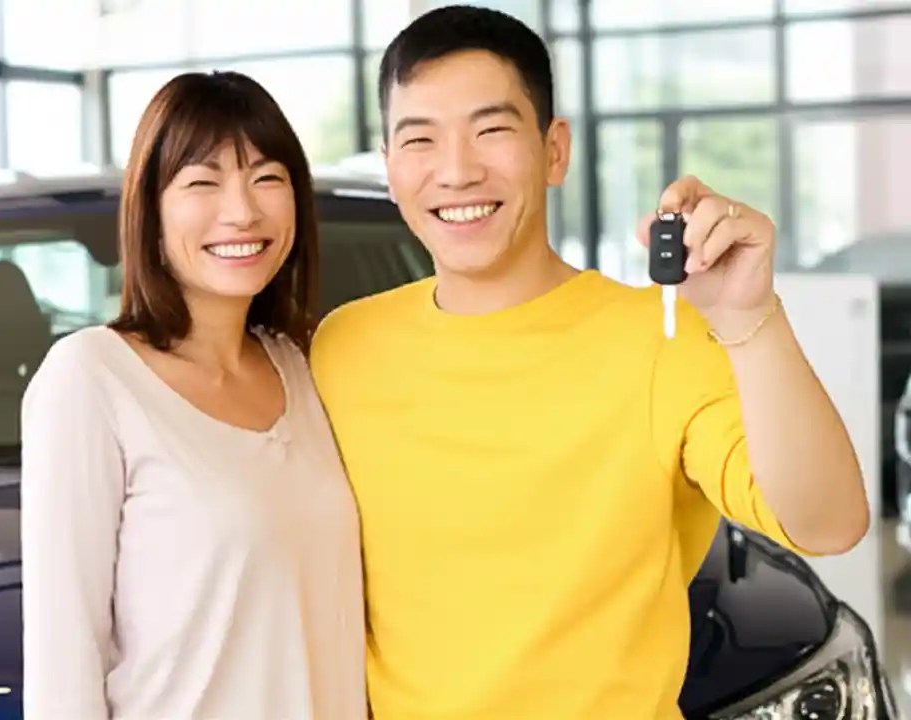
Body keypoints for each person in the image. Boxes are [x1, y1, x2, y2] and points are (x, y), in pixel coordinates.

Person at [308, 6, 870, 719]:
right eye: (420, 138)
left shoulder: (660, 340)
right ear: (389, 167)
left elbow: (829, 523)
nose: (456, 170)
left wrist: (748, 320)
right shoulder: (342, 347)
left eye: (491, 129)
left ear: (555, 151)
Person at [19, 70, 366, 719]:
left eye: (266, 178)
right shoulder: (90, 378)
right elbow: (64, 667)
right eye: (202, 182)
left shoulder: (307, 367)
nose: (242, 211)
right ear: (150, 209)